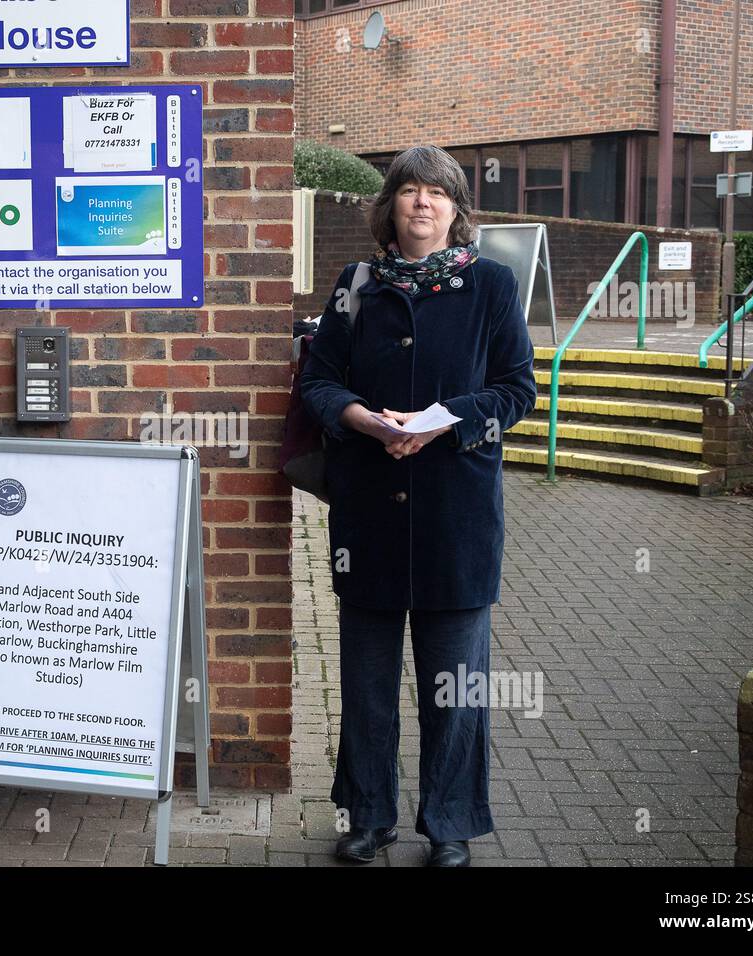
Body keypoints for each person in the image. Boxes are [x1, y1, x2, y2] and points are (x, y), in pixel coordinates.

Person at [299, 145, 537, 866]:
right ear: (390, 206)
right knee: (367, 685)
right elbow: (319, 383)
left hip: (455, 520)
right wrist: (364, 420)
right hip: (368, 516)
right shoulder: (355, 286)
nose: (423, 203)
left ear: (458, 209)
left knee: (454, 687)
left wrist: (443, 420)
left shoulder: (493, 285)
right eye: (410, 191)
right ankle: (368, 817)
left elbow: (517, 389)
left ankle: (452, 823)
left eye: (439, 192)